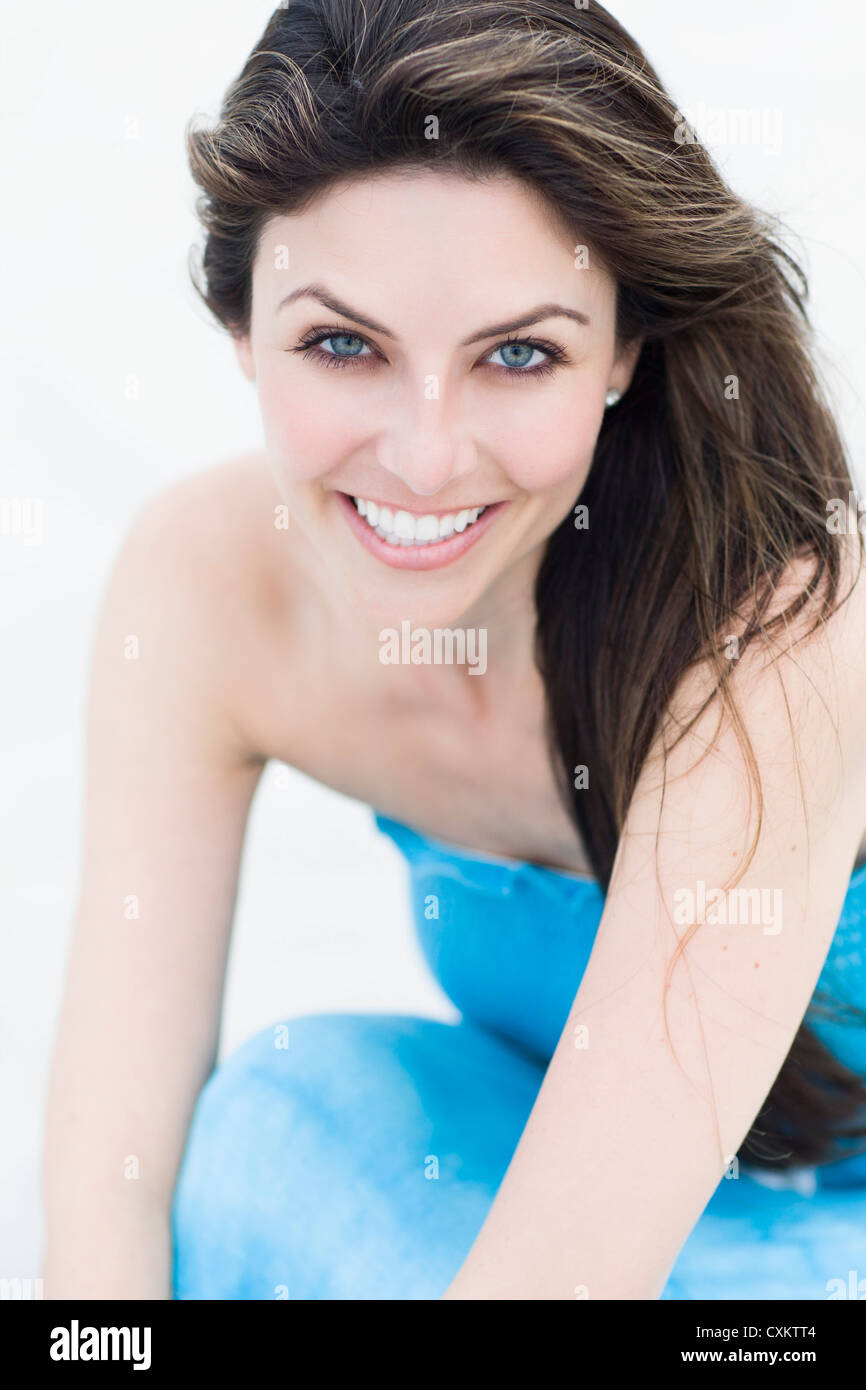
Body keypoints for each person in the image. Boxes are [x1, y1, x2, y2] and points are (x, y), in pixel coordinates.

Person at [43, 0, 866, 1300]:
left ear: (621, 355)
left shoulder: (775, 635)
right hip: (561, 1186)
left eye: (519, 354)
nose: (426, 456)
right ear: (239, 332)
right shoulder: (204, 583)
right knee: (277, 1129)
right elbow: (111, 1186)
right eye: (341, 344)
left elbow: (559, 1284)